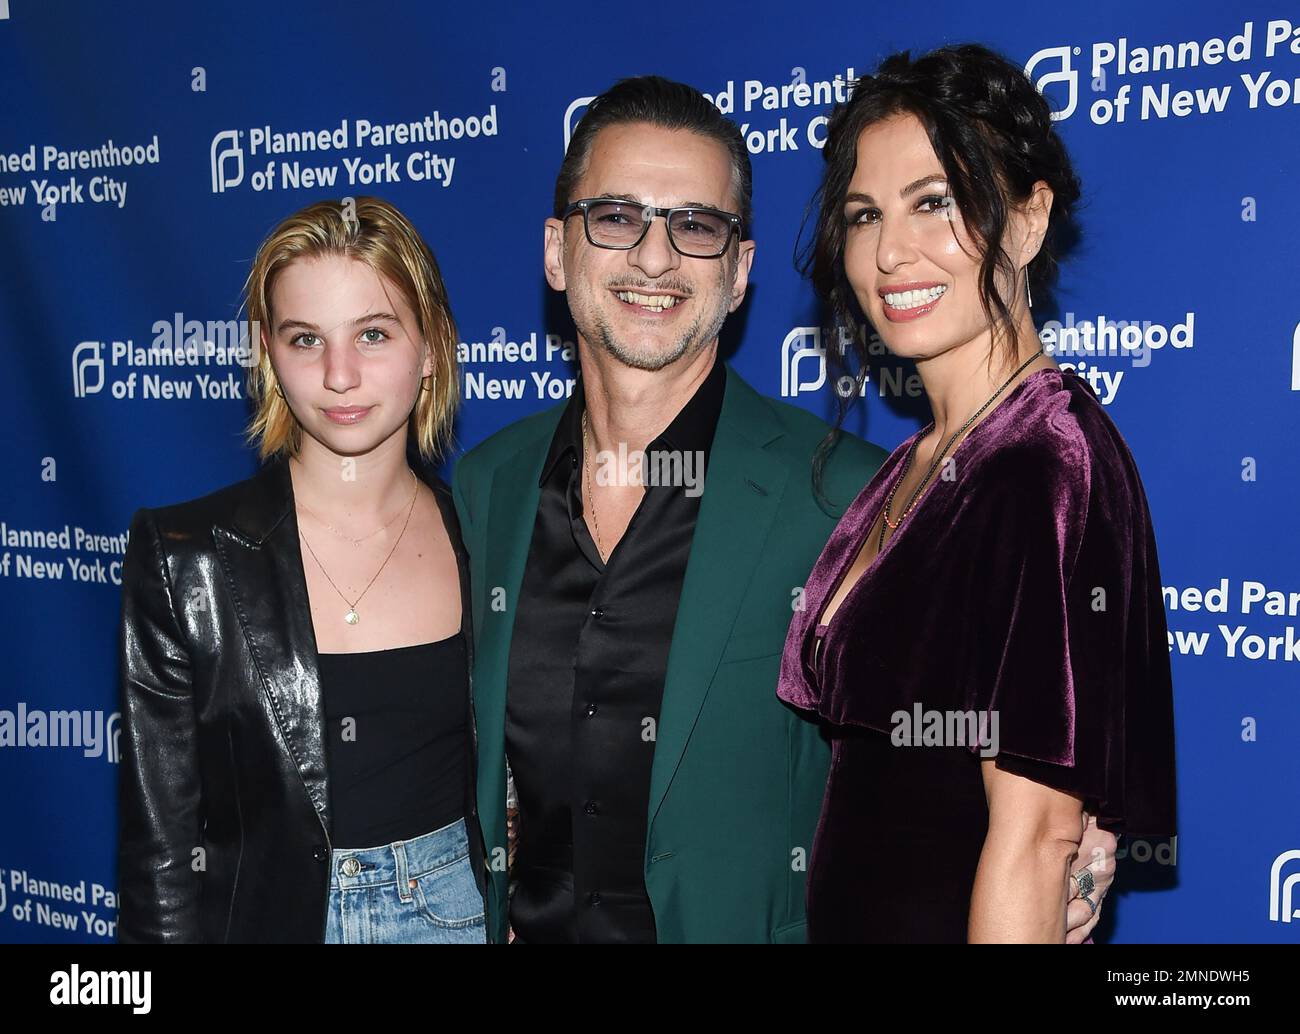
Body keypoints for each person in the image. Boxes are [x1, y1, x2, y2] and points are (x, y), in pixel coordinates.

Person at [452, 75, 1118, 943]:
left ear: (739, 273)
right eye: (615, 217)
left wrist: (1064, 857)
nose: (654, 259)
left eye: (696, 226)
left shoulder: (854, 497)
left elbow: (958, 780)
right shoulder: (488, 486)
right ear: (556, 250)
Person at [777, 44, 1178, 942]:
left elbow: (1035, 842)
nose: (890, 252)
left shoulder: (1041, 465)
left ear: (1029, 222)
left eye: (935, 203)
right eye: (865, 215)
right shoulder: (923, 460)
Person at [116, 196, 487, 943]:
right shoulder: (183, 559)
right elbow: (161, 855)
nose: (339, 375)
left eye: (373, 333)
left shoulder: (488, 537)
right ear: (268, 351)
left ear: (432, 346)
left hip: (456, 917)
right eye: (306, 339)